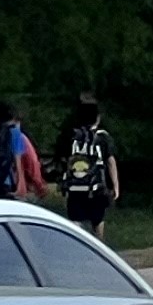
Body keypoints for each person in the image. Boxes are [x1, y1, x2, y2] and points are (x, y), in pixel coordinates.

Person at [53, 97, 122, 230]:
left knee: (75, 220)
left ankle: (76, 247)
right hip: (96, 188)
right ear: (97, 117)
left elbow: (62, 160)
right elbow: (110, 162)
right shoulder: (103, 137)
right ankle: (98, 246)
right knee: (98, 220)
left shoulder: (70, 136)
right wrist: (115, 185)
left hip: (75, 188)